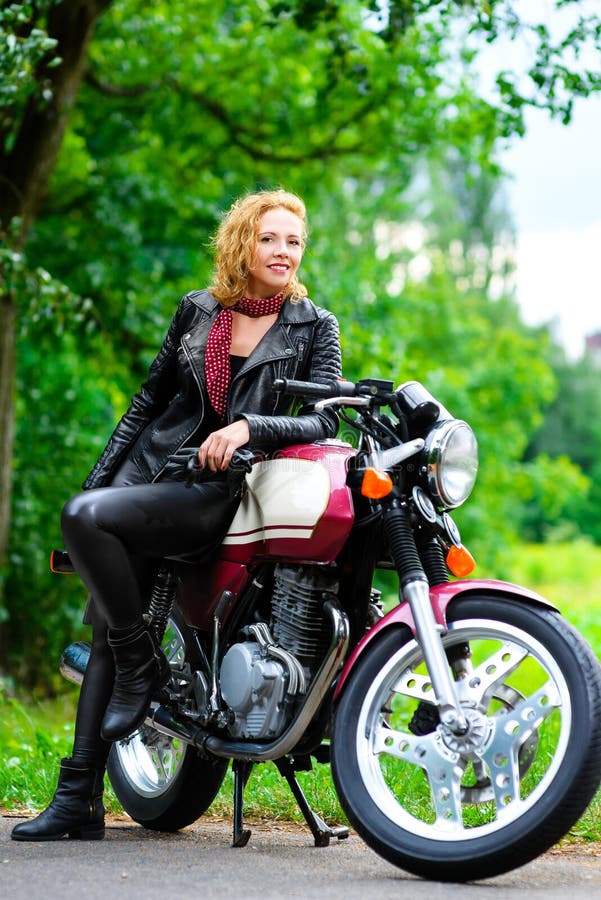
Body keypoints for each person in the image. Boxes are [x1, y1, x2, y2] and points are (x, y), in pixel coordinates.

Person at [12, 188, 342, 842]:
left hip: (223, 491)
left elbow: (325, 417)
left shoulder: (312, 324)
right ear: (241, 242)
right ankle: (78, 798)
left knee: (100, 564)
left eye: (293, 241)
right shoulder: (198, 312)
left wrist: (250, 427)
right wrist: (103, 483)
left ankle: (141, 669)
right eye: (269, 238)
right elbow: (147, 403)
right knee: (109, 611)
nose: (282, 252)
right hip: (157, 476)